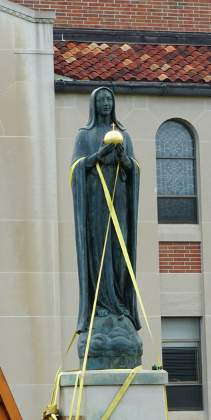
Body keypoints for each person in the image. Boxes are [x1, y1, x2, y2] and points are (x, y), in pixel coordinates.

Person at [70, 87, 142, 370]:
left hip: (120, 203)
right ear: (93, 104)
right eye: (100, 100)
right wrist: (97, 157)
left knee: (120, 256)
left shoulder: (123, 135)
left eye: (108, 100)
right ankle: (102, 307)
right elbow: (75, 170)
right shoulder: (84, 136)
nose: (104, 103)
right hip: (96, 207)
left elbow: (134, 169)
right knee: (100, 256)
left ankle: (121, 305)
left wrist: (124, 159)